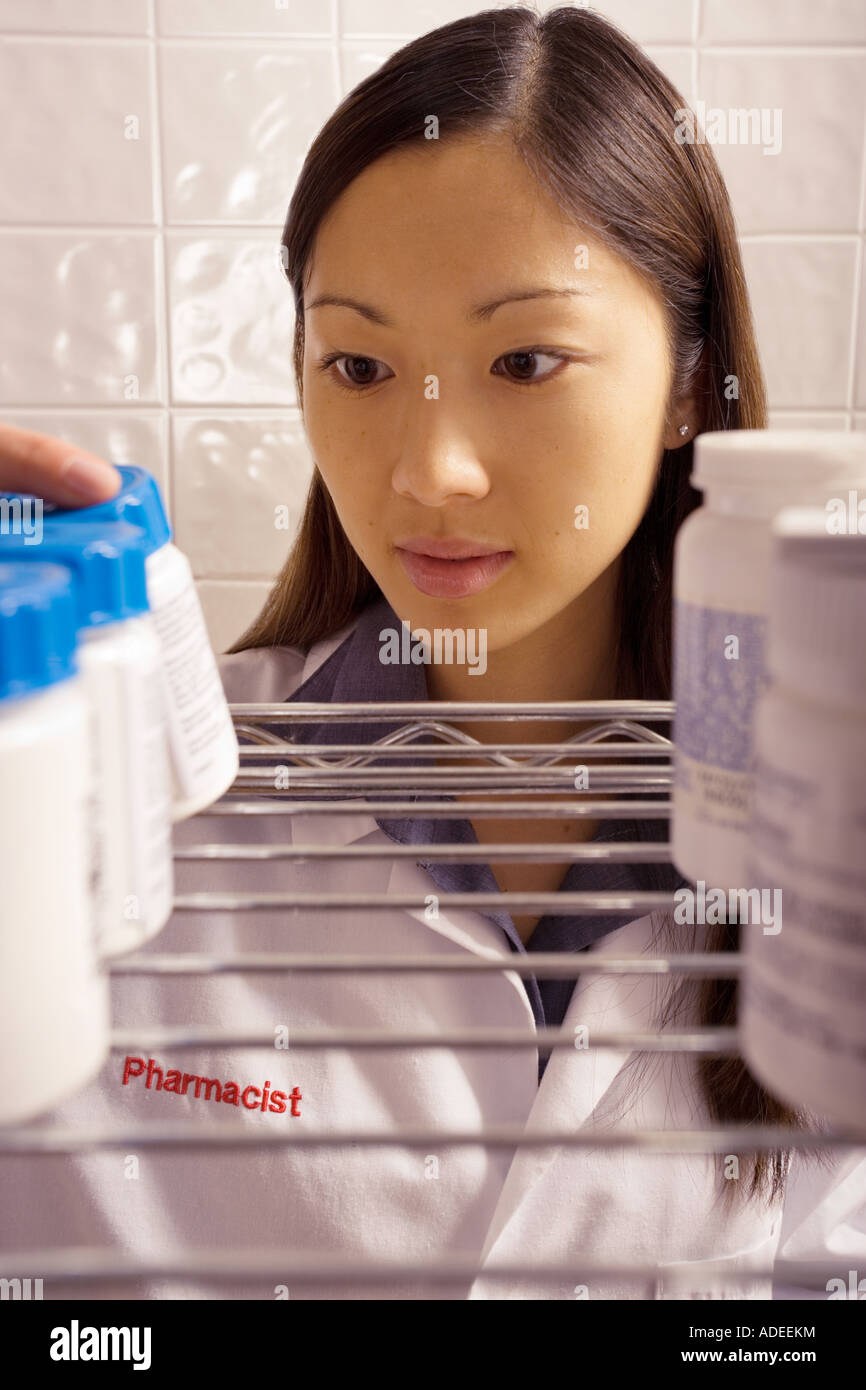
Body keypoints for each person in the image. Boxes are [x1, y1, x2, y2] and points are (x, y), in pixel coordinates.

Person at [1, 5, 863, 1300]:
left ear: (690, 385)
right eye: (356, 362)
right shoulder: (117, 794)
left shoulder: (826, 818)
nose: (427, 470)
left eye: (524, 358)